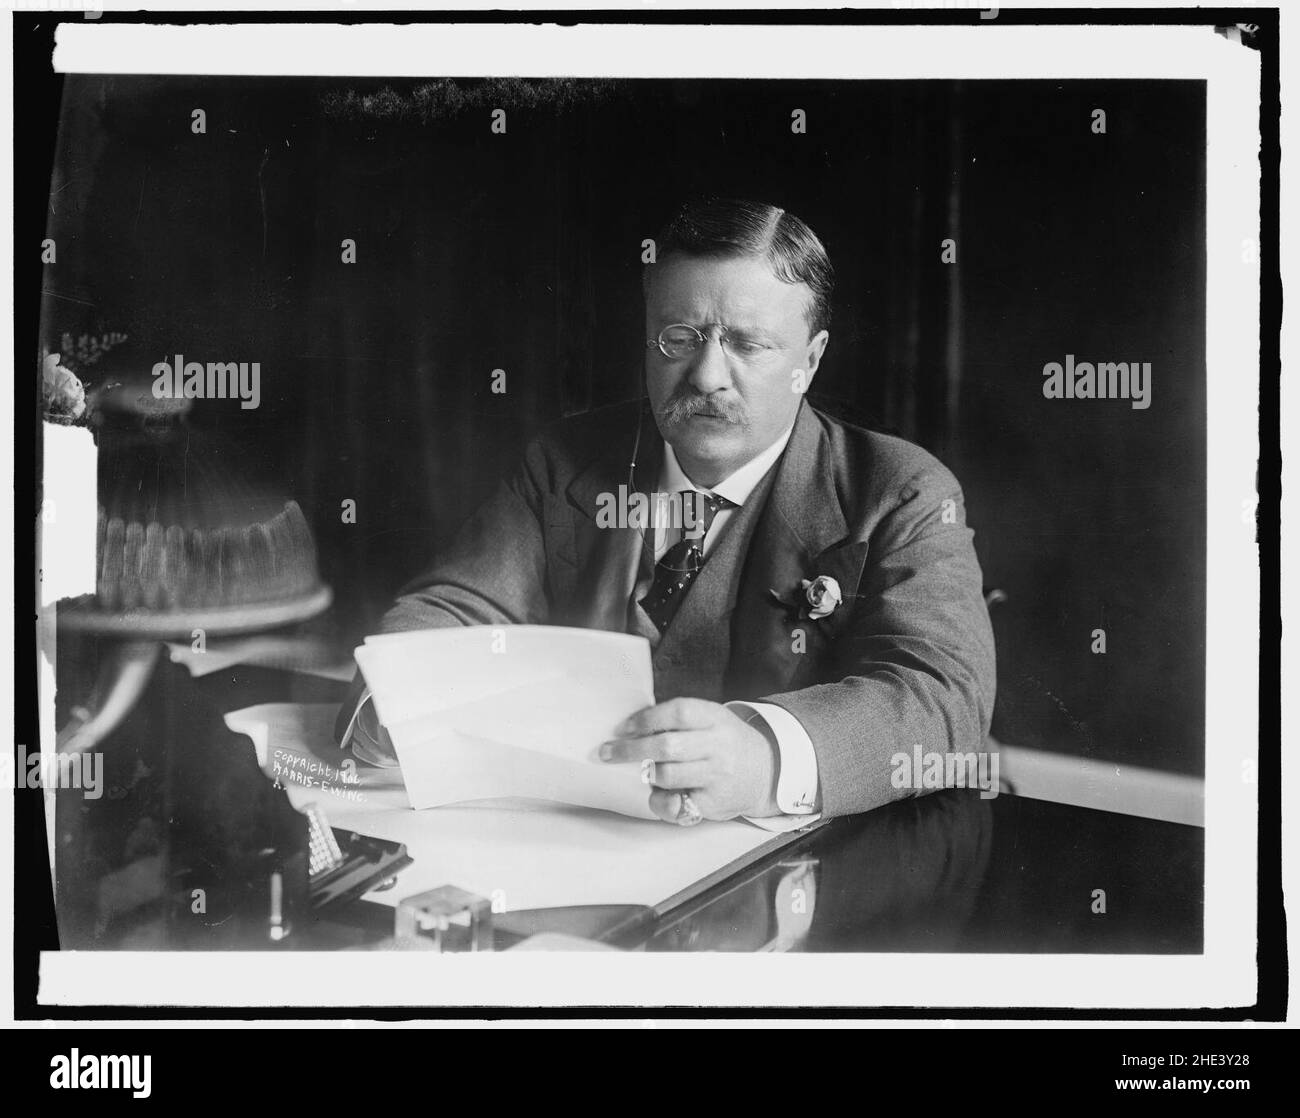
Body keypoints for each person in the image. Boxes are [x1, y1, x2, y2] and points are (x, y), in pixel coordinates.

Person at [336, 197, 996, 829]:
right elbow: (457, 607)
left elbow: (943, 695)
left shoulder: (903, 491)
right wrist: (390, 702)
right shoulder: (567, 459)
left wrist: (763, 759)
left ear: (811, 360)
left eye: (748, 344)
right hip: (573, 848)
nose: (707, 375)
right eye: (678, 338)